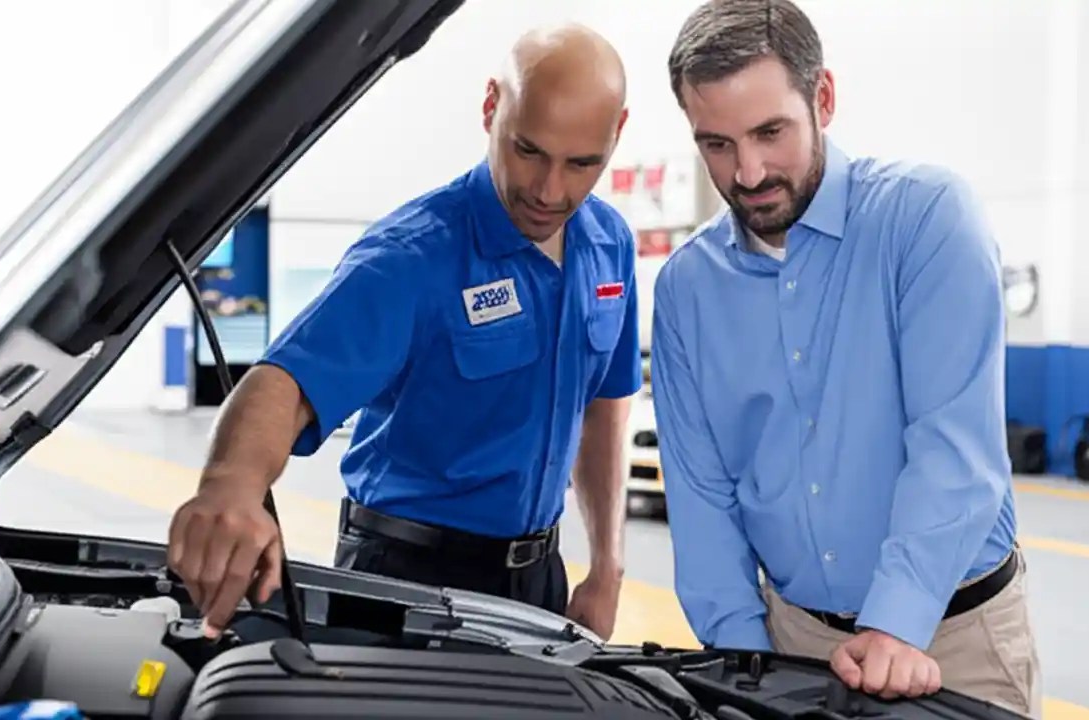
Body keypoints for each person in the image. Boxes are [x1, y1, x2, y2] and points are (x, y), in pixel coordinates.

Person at [166, 23, 641, 642]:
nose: (551, 190)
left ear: (618, 134)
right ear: (491, 106)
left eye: (582, 164)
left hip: (537, 586)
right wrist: (230, 487)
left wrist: (606, 566)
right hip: (405, 580)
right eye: (528, 151)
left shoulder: (609, 246)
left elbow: (603, 404)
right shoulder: (414, 255)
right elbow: (285, 382)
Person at [650, 0, 1041, 716]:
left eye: (771, 132)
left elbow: (953, 450)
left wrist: (896, 622)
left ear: (822, 98)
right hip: (788, 640)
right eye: (717, 144)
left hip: (950, 638)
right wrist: (744, 660)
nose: (748, 172)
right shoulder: (687, 289)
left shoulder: (925, 220)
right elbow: (702, 493)